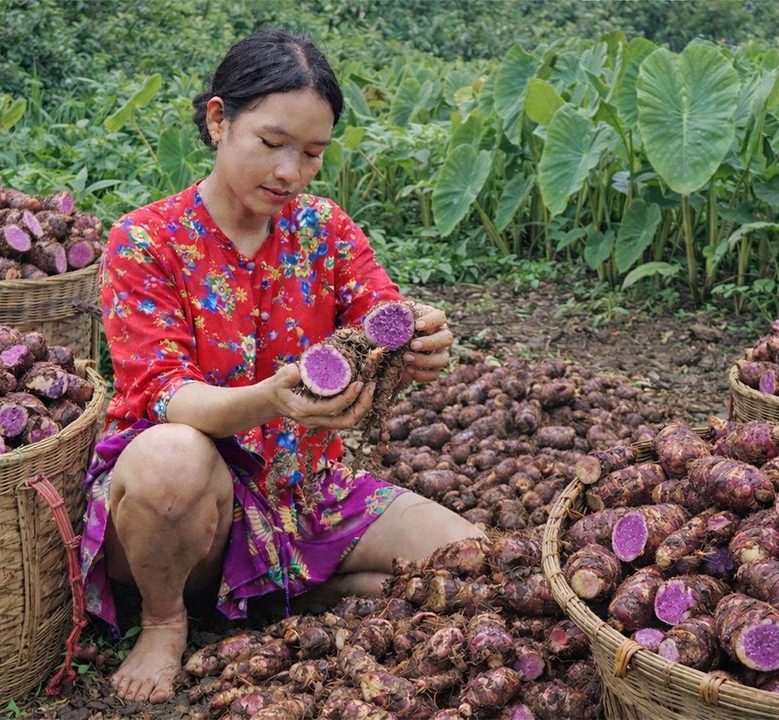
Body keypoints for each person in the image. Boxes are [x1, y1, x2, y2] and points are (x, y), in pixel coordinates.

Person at [77, 29, 483, 704]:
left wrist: (419, 341)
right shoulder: (145, 240)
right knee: (170, 457)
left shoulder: (324, 229)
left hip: (306, 491)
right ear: (217, 120)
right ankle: (165, 620)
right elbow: (168, 397)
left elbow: (382, 315)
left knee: (479, 564)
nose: (290, 171)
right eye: (271, 143)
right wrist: (272, 398)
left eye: (313, 153)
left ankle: (291, 587)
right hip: (189, 511)